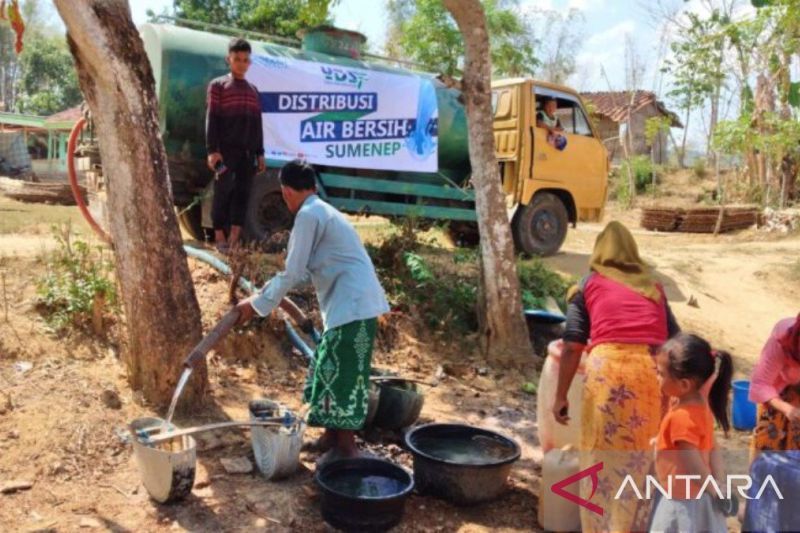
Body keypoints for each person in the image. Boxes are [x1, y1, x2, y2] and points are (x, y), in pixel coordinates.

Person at [235, 160, 390, 464]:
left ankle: (346, 450)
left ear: (286, 191)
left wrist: (254, 305)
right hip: (352, 305)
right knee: (328, 367)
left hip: (353, 306)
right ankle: (330, 439)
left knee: (344, 374)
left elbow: (292, 273)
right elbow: (302, 271)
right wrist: (267, 295)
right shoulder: (322, 210)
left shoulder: (308, 215)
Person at [553, 221, 680, 532]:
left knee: (602, 459)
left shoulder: (587, 285)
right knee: (642, 460)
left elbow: (572, 346)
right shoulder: (653, 288)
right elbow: (676, 340)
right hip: (653, 379)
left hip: (608, 378)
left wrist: (559, 397)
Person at [650, 333, 734, 533]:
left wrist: (714, 490)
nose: (656, 377)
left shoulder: (681, 417)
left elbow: (692, 464)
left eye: (661, 373)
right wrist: (718, 485)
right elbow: (712, 447)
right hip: (701, 496)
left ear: (684, 384)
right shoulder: (701, 408)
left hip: (681, 501)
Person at [205, 37, 266, 253]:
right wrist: (212, 150)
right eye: (237, 59)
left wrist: (260, 153)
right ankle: (219, 236)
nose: (242, 63)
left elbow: (258, 124)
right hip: (224, 154)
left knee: (243, 192)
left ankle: (234, 238)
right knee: (223, 190)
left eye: (246, 60)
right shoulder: (218, 86)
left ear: (249, 62)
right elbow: (212, 119)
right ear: (228, 60)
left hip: (247, 155)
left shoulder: (254, 91)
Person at [749, 313, 800, 455]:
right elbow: (761, 383)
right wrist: (786, 408)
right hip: (776, 389)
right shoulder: (782, 339)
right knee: (768, 439)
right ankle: (757, 475)